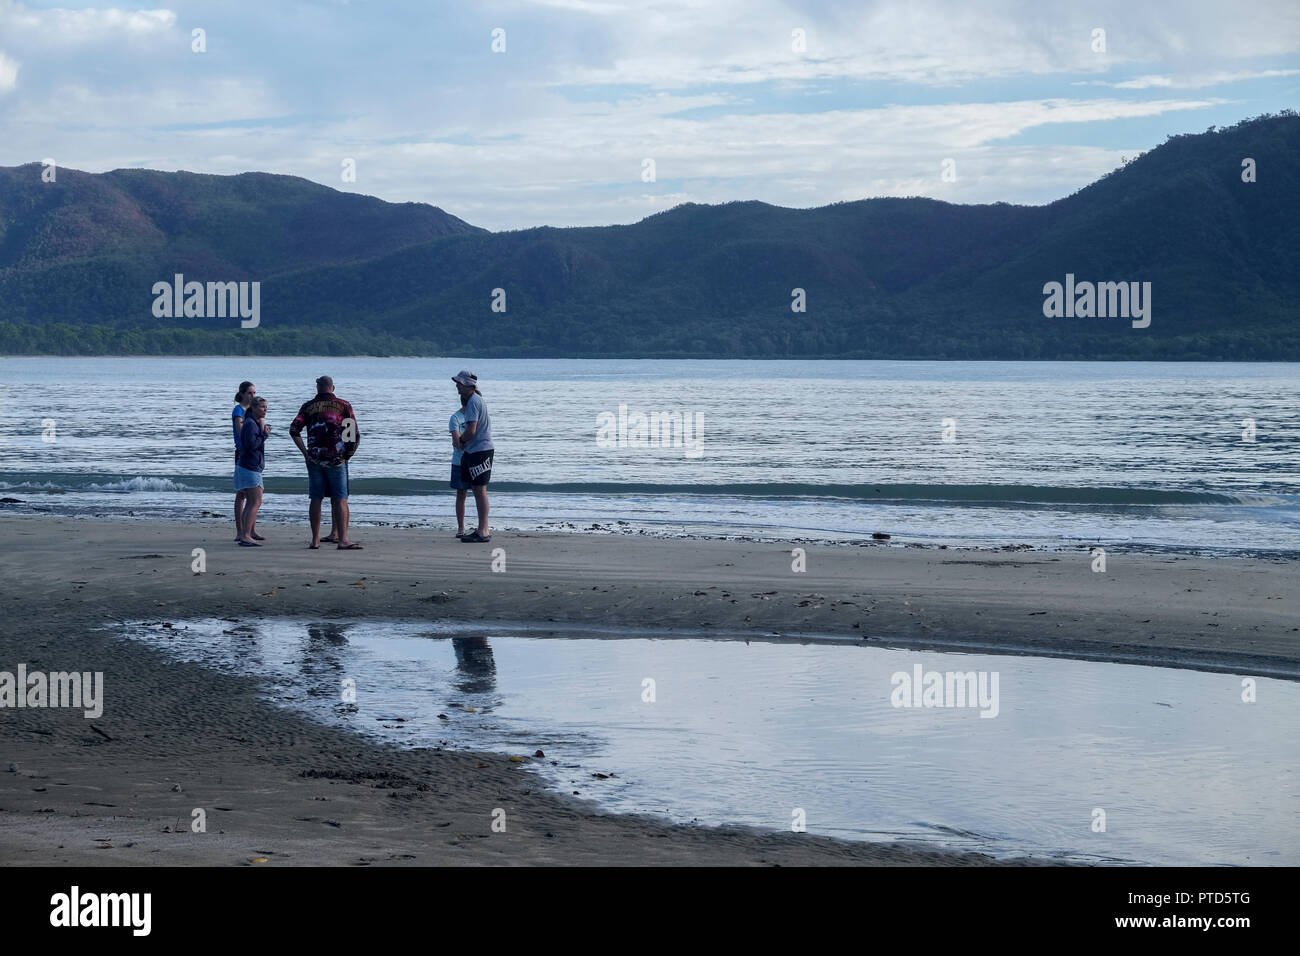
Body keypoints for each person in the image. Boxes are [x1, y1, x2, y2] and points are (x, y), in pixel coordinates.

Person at [289, 375, 362, 550]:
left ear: (317, 388)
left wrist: (306, 454)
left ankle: (315, 540)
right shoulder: (344, 406)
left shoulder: (307, 407)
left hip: (314, 459)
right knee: (340, 499)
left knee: (316, 498)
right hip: (336, 459)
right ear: (333, 388)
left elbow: (294, 430)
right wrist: (347, 455)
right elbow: (353, 435)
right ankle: (342, 539)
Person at [452, 370, 492, 543]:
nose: (457, 386)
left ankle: (483, 530)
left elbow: (472, 430)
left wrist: (461, 441)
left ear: (468, 385)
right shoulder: (475, 400)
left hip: (480, 450)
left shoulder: (474, 401)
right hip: (476, 450)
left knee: (479, 489)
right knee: (477, 489)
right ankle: (482, 529)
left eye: (459, 383)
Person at [231, 381, 264, 542]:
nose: (253, 396)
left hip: (251, 454)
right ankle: (241, 531)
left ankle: (250, 530)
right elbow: (242, 432)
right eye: (250, 393)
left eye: (254, 393)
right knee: (242, 494)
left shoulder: (252, 411)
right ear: (243, 394)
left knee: (250, 496)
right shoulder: (239, 410)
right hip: (243, 453)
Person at [235, 397, 270, 547]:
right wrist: (264, 435)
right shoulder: (250, 423)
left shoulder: (253, 423)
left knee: (252, 502)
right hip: (249, 467)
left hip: (251, 466)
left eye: (266, 407)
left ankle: (247, 533)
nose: (265, 410)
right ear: (254, 408)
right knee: (255, 501)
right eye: (262, 407)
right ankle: (245, 535)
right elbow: (250, 445)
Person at [449, 396, 471, 537]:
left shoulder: (478, 417)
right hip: (460, 461)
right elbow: (457, 443)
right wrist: (462, 443)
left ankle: (482, 526)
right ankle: (461, 527)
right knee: (461, 493)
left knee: (479, 493)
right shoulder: (455, 418)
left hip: (475, 458)